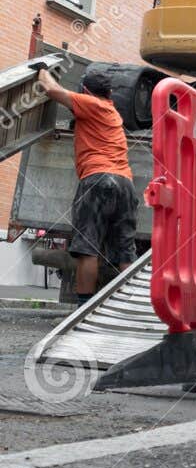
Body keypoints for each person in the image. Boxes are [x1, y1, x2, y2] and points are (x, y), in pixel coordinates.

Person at [37, 66, 139, 303]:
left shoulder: (91, 104)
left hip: (98, 179)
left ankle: (83, 309)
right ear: (110, 92)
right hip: (125, 183)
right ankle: (127, 308)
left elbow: (50, 89)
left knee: (87, 249)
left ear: (85, 90)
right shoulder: (112, 112)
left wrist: (42, 69)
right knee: (124, 252)